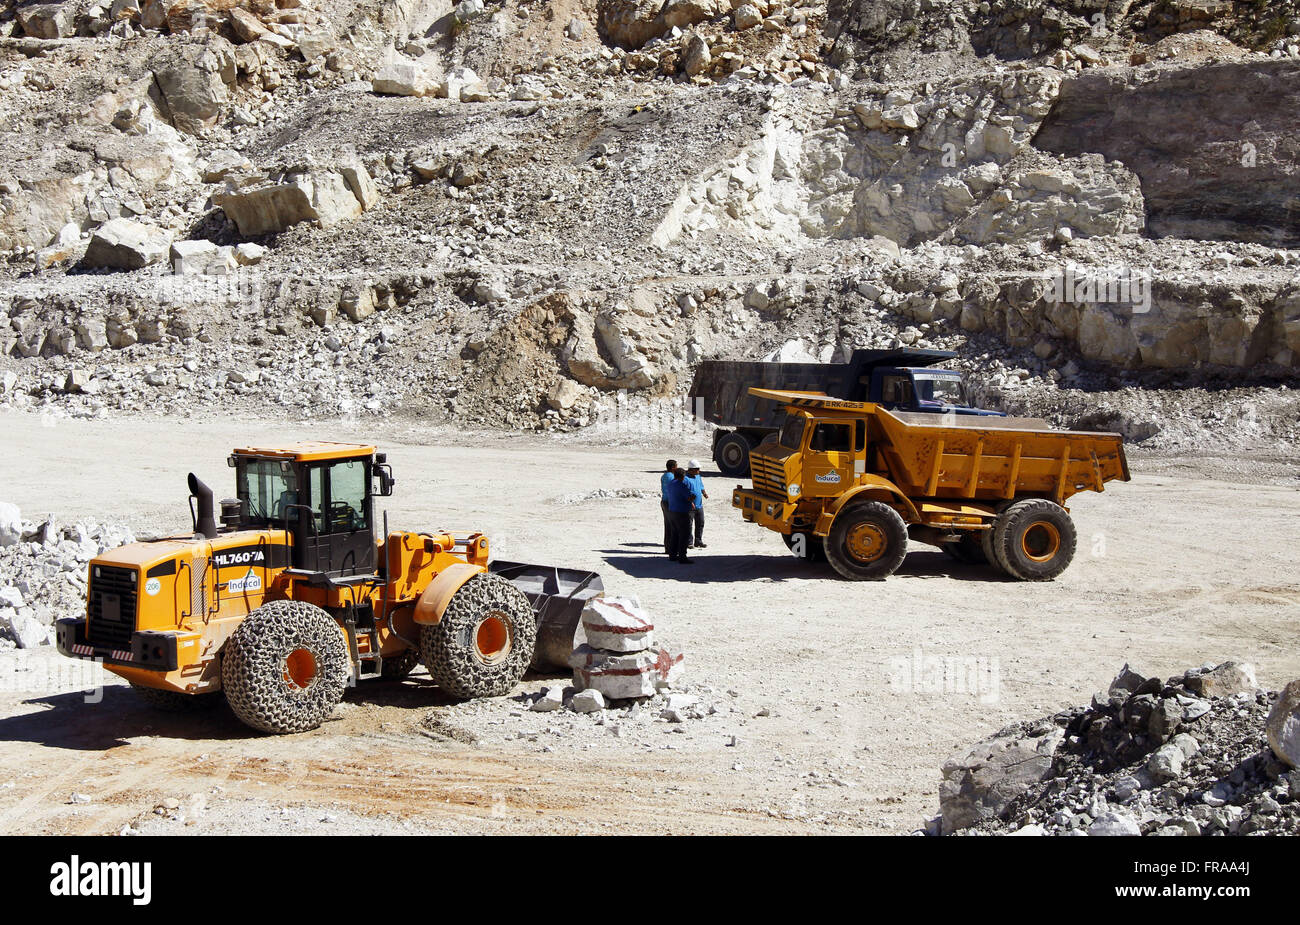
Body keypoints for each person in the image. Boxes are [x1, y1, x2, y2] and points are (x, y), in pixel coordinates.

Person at [664, 468, 701, 564]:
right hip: (682, 512)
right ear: (682, 476)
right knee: (684, 535)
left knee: (674, 534)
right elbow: (689, 497)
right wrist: (693, 496)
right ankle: (682, 556)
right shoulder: (682, 484)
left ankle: (672, 555)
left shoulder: (671, 483)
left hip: (672, 511)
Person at [684, 459, 708, 548]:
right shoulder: (685, 479)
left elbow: (701, 486)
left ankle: (698, 541)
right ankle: (689, 542)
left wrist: (704, 493)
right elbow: (684, 492)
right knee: (689, 525)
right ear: (691, 469)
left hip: (699, 505)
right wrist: (690, 502)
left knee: (700, 523)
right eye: (697, 469)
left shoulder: (698, 476)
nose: (699, 470)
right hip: (690, 506)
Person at [659, 459, 678, 555]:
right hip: (671, 503)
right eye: (676, 466)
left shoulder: (663, 476)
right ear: (673, 467)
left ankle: (667, 547)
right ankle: (672, 548)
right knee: (673, 526)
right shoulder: (672, 477)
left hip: (664, 501)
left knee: (667, 525)